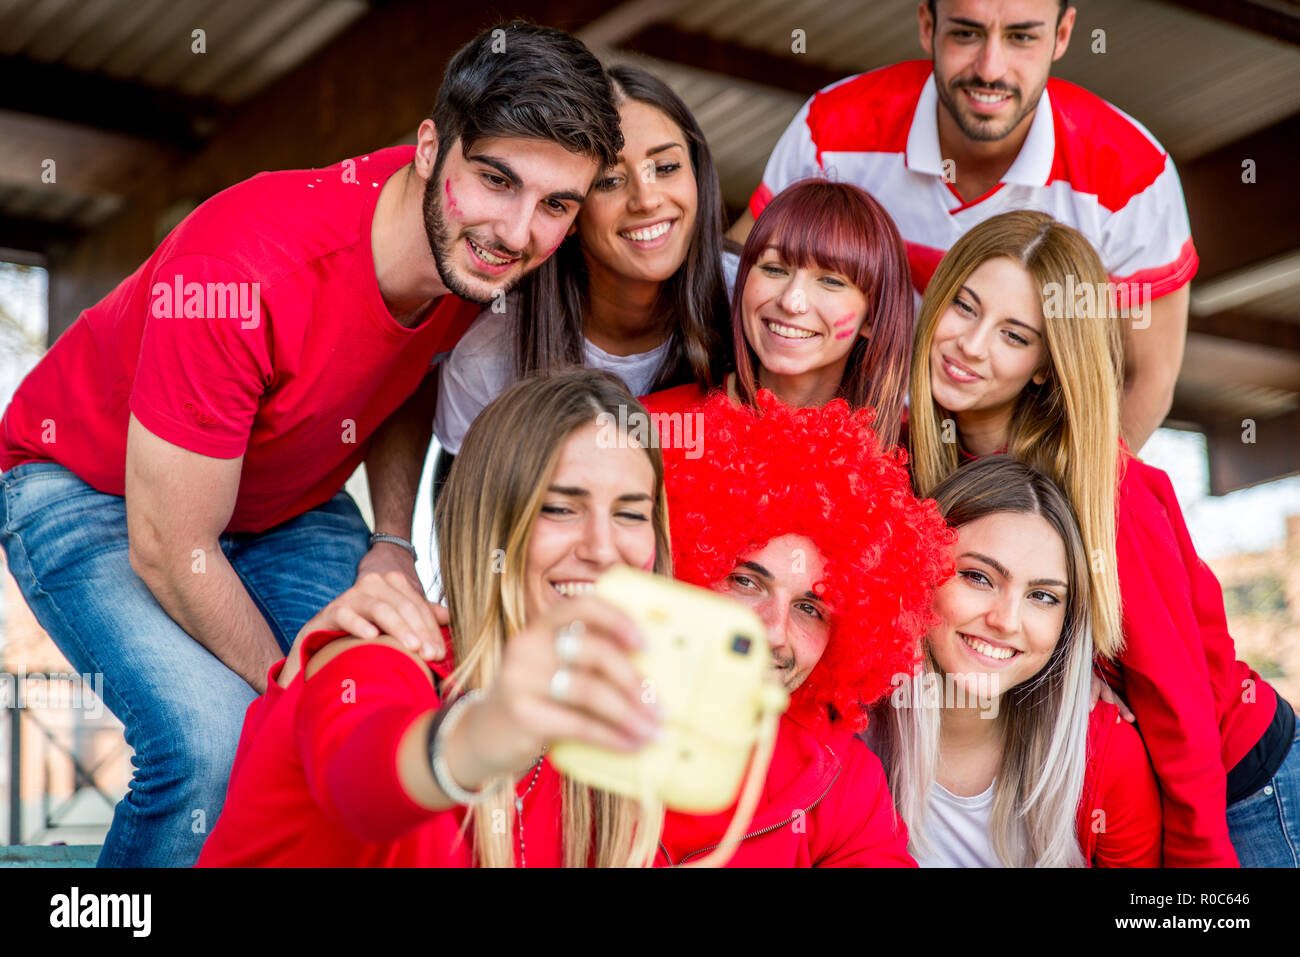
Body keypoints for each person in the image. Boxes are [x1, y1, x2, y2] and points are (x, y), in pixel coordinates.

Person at [0, 21, 622, 868]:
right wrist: (294, 690)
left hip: (282, 500)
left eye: (557, 206)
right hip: (92, 489)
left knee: (398, 697)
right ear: (431, 147)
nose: (518, 232)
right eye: (496, 180)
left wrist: (394, 543)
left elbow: (407, 370)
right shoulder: (238, 271)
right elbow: (170, 543)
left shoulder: (469, 257)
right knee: (221, 746)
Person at [196, 370, 921, 867]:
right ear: (493, 524)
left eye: (630, 513)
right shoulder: (379, 655)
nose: (603, 547)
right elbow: (365, 780)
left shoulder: (615, 738)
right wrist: (489, 730)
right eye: (561, 506)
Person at [907, 209, 1298, 867]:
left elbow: (1179, 705)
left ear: (1043, 365)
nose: (970, 344)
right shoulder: (927, 463)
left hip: (1239, 783)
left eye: (1012, 334)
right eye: (964, 306)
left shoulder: (1103, 489)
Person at [728, 0, 1196, 452]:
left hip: (1021, 472)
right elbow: (735, 274)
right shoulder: (830, 127)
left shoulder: (1134, 174)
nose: (990, 68)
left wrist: (1063, 507)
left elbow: (1145, 379)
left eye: (1021, 37)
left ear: (1063, 33)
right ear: (927, 24)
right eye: (966, 33)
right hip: (848, 453)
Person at [430, 64, 730, 495]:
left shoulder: (753, 301)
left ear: (698, 177)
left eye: (665, 167)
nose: (647, 200)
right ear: (566, 211)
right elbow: (471, 521)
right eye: (610, 180)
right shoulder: (491, 354)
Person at [870, 456, 1162, 867]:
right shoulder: (846, 731)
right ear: (916, 569)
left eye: (1042, 596)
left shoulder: (1103, 752)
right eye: (978, 577)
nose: (1005, 621)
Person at [642, 178, 913, 450]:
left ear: (872, 317)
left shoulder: (908, 454)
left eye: (831, 281)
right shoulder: (654, 428)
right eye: (774, 269)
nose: (791, 301)